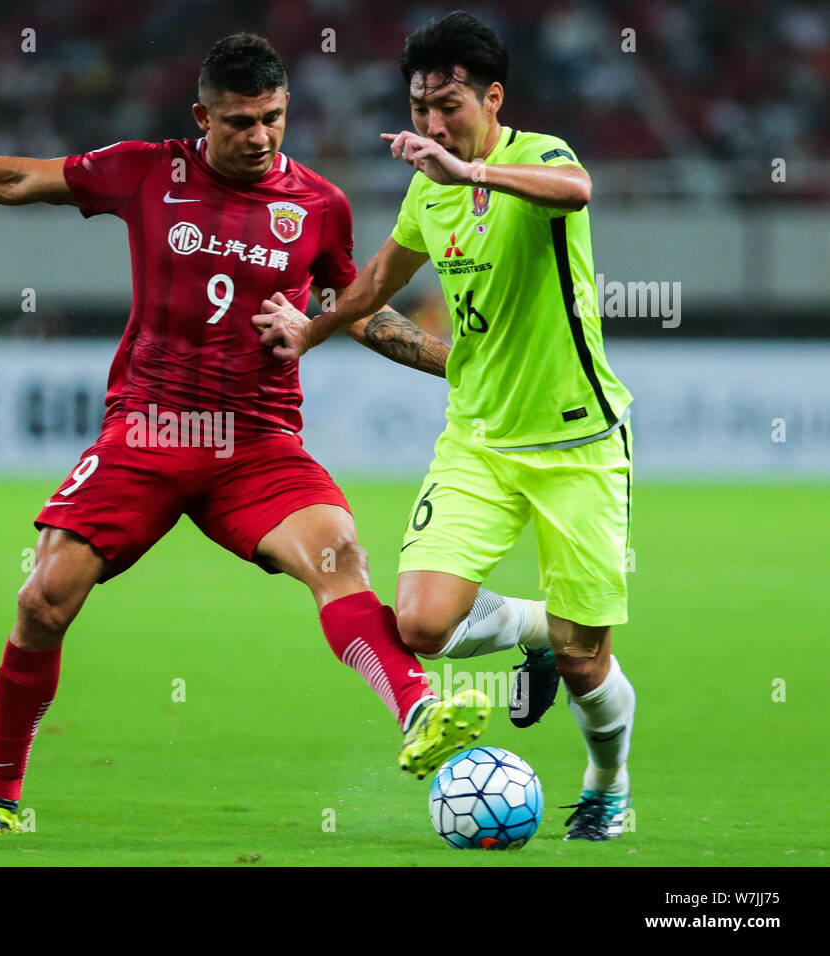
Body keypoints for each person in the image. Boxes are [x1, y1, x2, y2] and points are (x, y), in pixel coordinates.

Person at [0, 33, 492, 837]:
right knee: (42, 601)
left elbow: (355, 309)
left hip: (257, 441)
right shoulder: (148, 170)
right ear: (202, 117)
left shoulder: (319, 204)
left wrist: (458, 364)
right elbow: (16, 178)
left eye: (274, 119)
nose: (260, 137)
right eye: (241, 121)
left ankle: (418, 707)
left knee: (339, 556)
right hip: (150, 429)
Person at [255, 11, 635, 841]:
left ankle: (608, 783)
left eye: (450, 103)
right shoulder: (429, 188)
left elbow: (580, 192)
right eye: (421, 105)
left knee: (585, 662)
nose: (432, 122)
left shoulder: (538, 157)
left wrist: (471, 171)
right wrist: (308, 333)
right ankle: (533, 629)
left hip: (578, 443)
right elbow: (372, 284)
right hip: (478, 441)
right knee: (421, 623)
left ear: (492, 97)